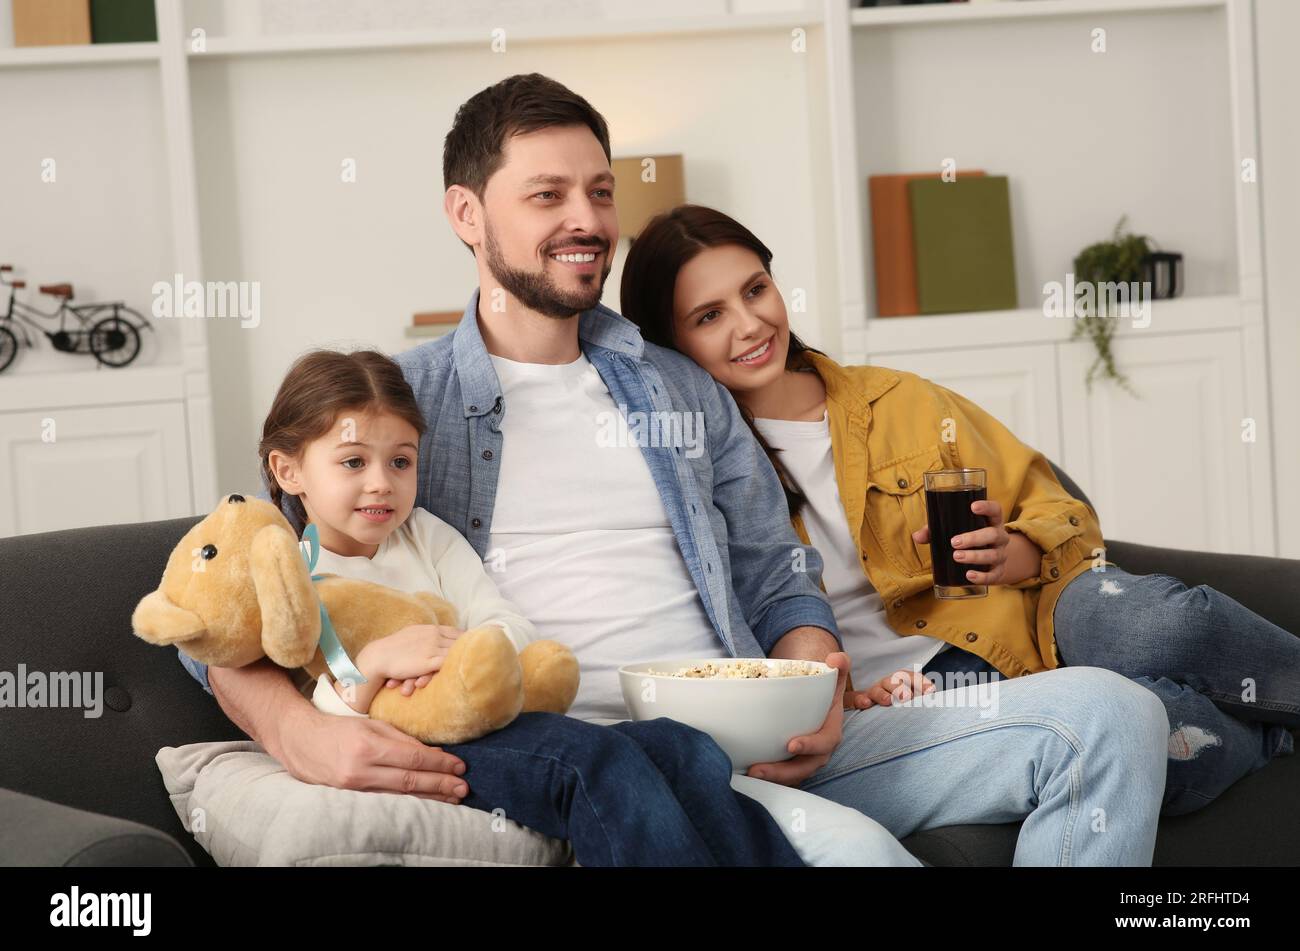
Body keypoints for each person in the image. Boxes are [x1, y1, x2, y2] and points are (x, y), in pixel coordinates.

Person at [180, 72, 1168, 866]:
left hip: (762, 726)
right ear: (467, 214)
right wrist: (289, 727)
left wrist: (816, 666)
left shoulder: (673, 387)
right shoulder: (400, 405)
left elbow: (770, 566)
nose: (587, 218)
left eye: (601, 190)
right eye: (548, 194)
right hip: (606, 753)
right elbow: (235, 576)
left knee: (1112, 714)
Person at [618, 201, 1298, 818]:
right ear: (670, 345)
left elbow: (1063, 509)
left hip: (1031, 612)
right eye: (709, 316)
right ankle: (1270, 734)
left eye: (756, 289)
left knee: (1167, 623)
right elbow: (749, 636)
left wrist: (1020, 548)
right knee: (1164, 732)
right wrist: (846, 700)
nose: (749, 323)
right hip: (915, 692)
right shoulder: (692, 474)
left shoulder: (901, 401)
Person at [182, 346, 915, 866]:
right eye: (352, 463)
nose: (381, 484)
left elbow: (500, 615)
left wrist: (472, 651)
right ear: (288, 469)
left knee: (681, 745)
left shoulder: (426, 535)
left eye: (400, 461)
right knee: (593, 764)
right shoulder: (292, 567)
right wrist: (374, 668)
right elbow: (322, 697)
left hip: (492, 707)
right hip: (426, 737)